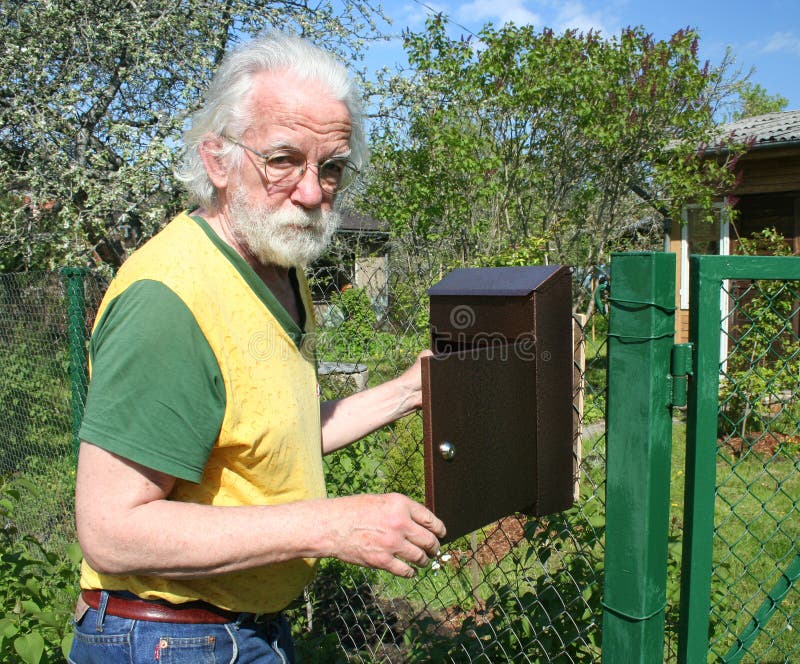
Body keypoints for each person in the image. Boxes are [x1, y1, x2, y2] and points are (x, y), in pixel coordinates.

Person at [69, 32, 446, 664]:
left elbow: (271, 438)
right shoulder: (170, 299)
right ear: (217, 160)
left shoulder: (278, 265)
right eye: (283, 160)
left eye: (331, 167)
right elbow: (111, 529)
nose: (311, 192)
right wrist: (330, 525)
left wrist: (410, 390)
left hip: (241, 631)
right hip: (169, 638)